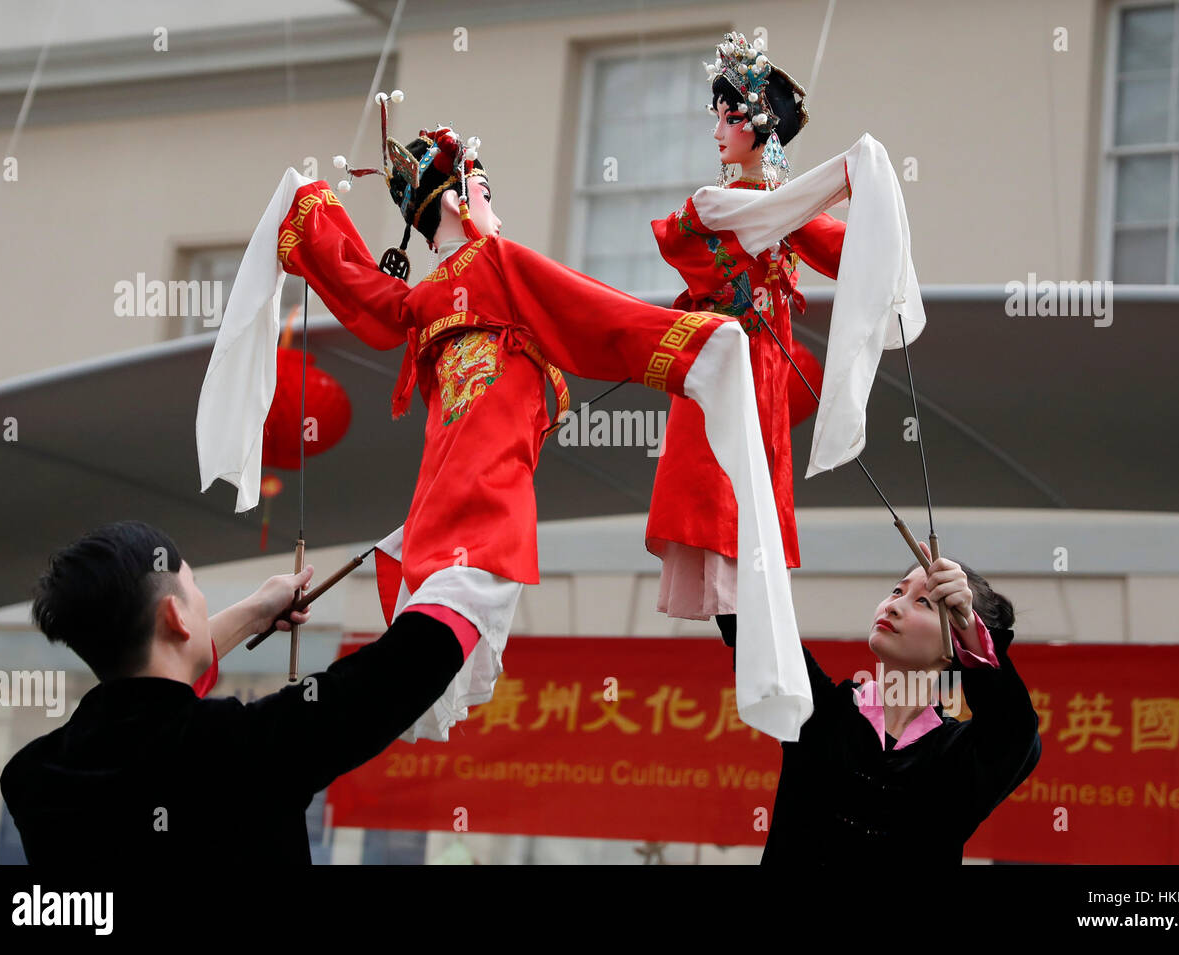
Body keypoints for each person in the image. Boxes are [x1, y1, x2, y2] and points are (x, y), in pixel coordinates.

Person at [260, 100, 809, 743]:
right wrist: (701, 344)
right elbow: (596, 315)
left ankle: (291, 732)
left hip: (438, 505)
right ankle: (289, 737)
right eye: (486, 194)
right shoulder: (496, 262)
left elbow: (358, 287)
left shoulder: (418, 303)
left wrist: (309, 211)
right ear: (460, 202)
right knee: (427, 650)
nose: (497, 212)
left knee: (412, 660)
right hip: (489, 502)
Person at [0, 520, 478, 864]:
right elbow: (408, 665)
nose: (203, 600)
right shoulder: (241, 747)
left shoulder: (32, 777)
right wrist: (478, 555)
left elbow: (156, 690)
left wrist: (255, 611)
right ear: (174, 615)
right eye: (194, 585)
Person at [646, 31, 848, 642]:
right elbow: (683, 236)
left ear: (760, 127)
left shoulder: (777, 206)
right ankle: (750, 628)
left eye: (730, 118)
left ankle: (758, 633)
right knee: (719, 487)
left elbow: (842, 249)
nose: (718, 132)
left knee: (742, 490)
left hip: (755, 363)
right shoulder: (728, 202)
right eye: (718, 118)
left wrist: (867, 194)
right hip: (725, 358)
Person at [732, 543, 1043, 864]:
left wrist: (972, 631)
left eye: (923, 602)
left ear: (959, 642)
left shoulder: (961, 755)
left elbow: (1014, 730)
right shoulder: (823, 711)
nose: (894, 607)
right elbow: (754, 625)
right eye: (897, 591)